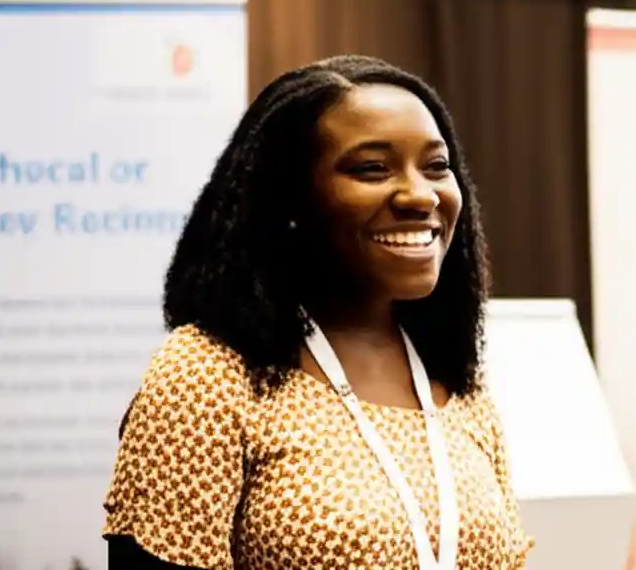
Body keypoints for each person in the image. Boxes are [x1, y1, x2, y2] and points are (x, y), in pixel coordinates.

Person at [103, 55, 532, 570]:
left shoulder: (456, 383)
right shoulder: (208, 376)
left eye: (436, 166)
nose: (420, 194)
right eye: (372, 168)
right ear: (289, 202)